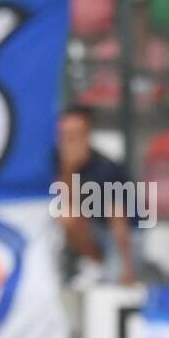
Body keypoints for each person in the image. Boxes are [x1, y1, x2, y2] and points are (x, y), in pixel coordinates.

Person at [55, 105, 141, 286]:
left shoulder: (106, 169)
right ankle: (93, 263)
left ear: (87, 136)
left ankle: (102, 266)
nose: (70, 143)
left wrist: (127, 265)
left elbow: (119, 221)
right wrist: (69, 170)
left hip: (124, 233)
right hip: (92, 232)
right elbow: (65, 203)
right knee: (66, 216)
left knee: (115, 283)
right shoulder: (59, 166)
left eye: (75, 136)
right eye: (65, 137)